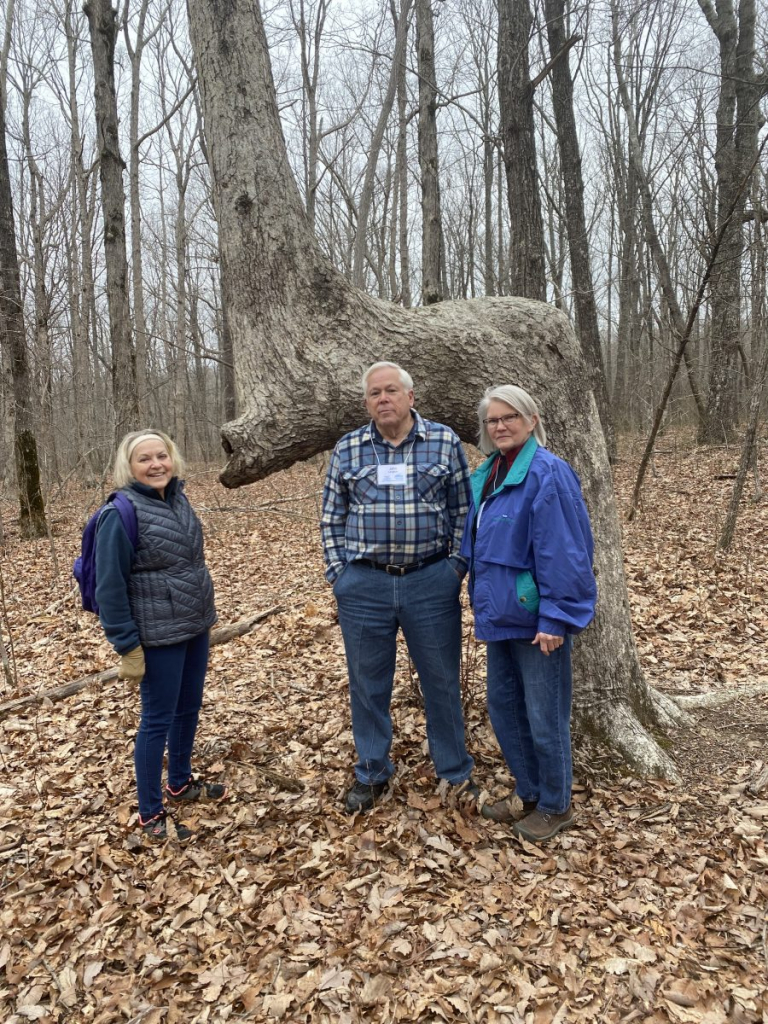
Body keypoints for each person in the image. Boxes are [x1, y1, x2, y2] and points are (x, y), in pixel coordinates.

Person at [321, 362, 476, 813]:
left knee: (442, 681)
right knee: (367, 685)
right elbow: (331, 516)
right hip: (364, 585)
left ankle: (454, 771)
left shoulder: (443, 441)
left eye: (391, 390)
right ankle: (372, 772)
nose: (383, 399)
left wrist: (455, 568)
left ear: (411, 397)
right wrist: (340, 575)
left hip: (430, 581)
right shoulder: (349, 448)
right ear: (366, 403)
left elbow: (463, 511)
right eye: (375, 393)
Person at [460, 386, 597, 843]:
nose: (500, 426)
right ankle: (530, 791)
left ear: (531, 420)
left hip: (537, 620)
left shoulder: (547, 472)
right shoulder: (489, 472)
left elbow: (565, 551)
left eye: (510, 417)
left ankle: (556, 805)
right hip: (499, 616)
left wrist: (555, 617)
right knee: (505, 708)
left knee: (545, 716)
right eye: (493, 420)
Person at [95, 429, 225, 841]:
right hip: (157, 636)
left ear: (172, 459)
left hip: (193, 625)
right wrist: (127, 646)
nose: (156, 465)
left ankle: (180, 783)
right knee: (156, 721)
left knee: (188, 708)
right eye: (144, 459)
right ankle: (151, 814)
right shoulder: (119, 514)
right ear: (129, 467)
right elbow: (109, 587)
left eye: (161, 456)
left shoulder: (178, 499)